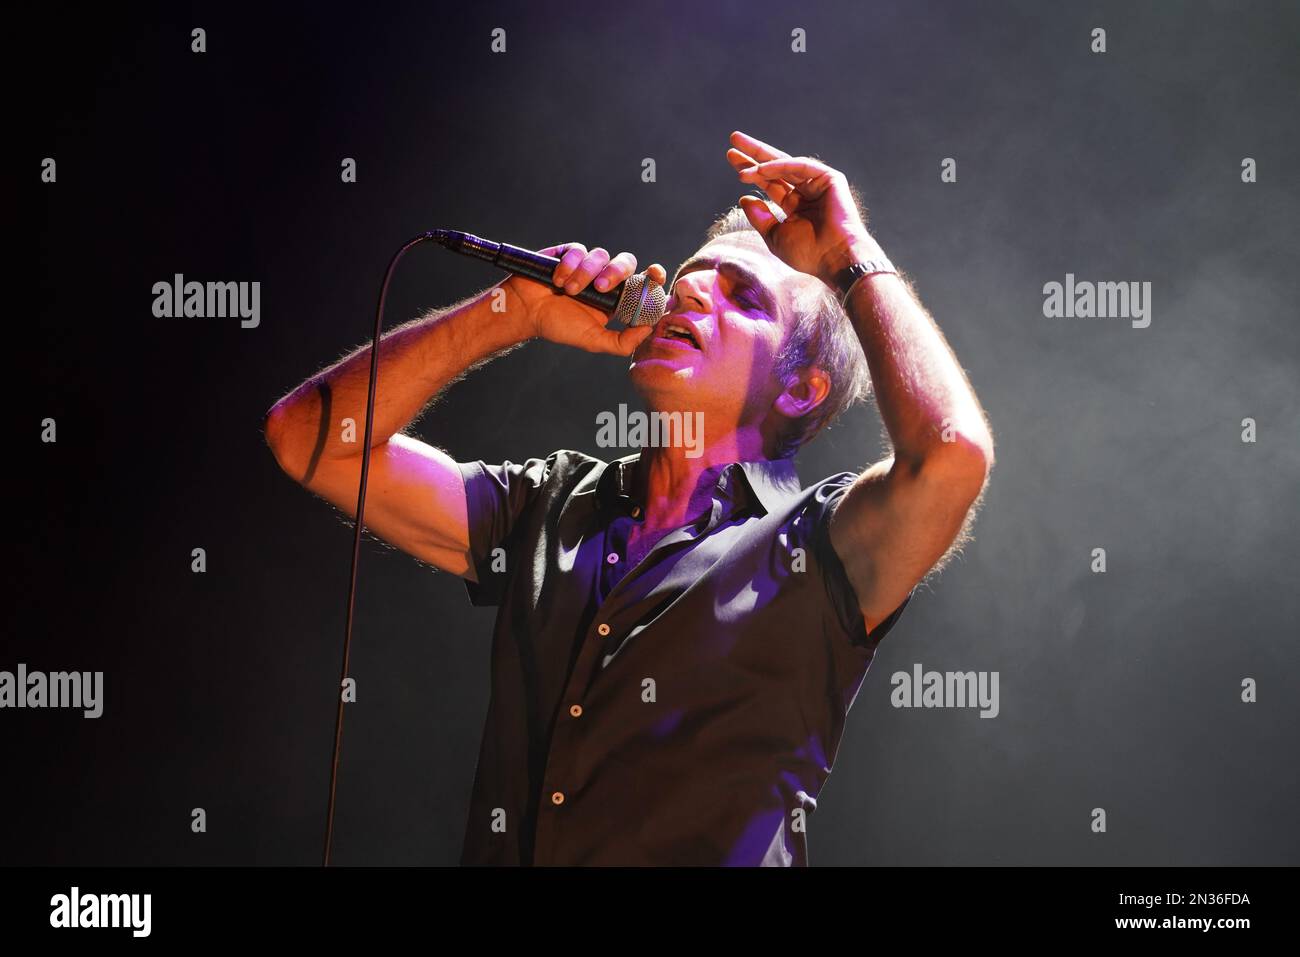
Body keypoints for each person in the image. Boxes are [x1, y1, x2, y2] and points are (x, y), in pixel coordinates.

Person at [264, 131, 995, 866]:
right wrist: (512, 313)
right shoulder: (551, 503)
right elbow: (311, 440)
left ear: (801, 387)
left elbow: (950, 454)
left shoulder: (815, 544)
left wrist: (847, 256)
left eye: (742, 297)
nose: (694, 289)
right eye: (691, 277)